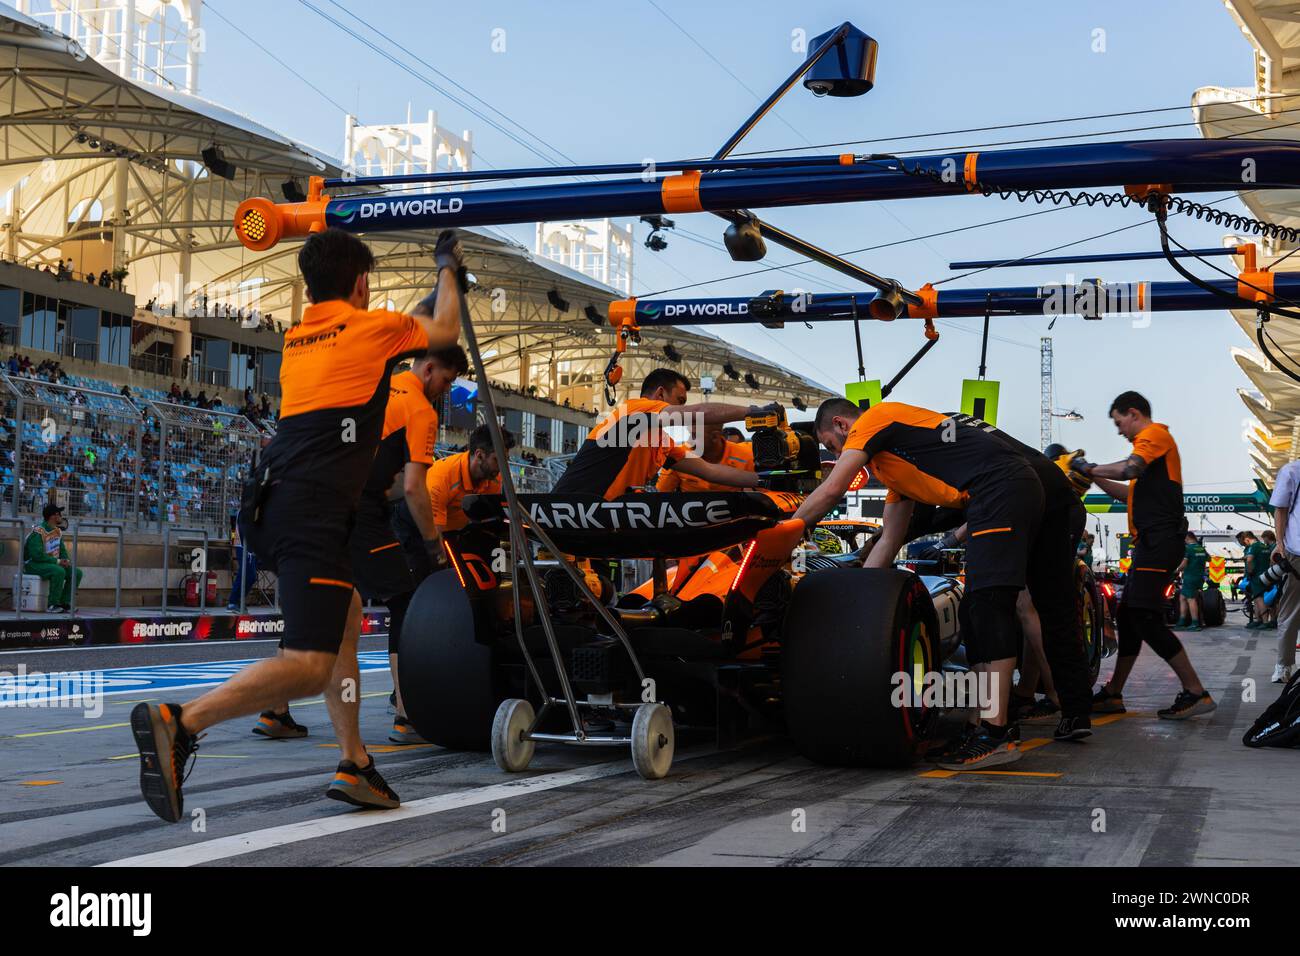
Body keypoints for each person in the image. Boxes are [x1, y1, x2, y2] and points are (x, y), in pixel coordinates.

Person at [129, 227, 465, 823]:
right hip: (314, 510)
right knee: (311, 664)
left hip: (272, 498)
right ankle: (180, 723)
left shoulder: (301, 336)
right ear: (362, 283)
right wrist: (447, 269)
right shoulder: (373, 330)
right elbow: (441, 331)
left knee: (346, 623)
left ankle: (355, 762)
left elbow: (396, 330)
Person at [797, 399, 1046, 769]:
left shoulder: (876, 418)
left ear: (842, 424)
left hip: (1001, 488)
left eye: (834, 446)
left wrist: (789, 529)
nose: (841, 453)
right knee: (976, 610)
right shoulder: (895, 469)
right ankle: (984, 725)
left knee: (989, 605)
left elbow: (833, 490)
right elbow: (889, 540)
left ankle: (996, 733)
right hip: (990, 497)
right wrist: (858, 610)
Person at [1071, 391, 1215, 720]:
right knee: (1127, 614)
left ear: (1134, 413)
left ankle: (1196, 692)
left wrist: (1089, 466)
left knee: (1143, 614)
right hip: (1152, 543)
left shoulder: (1154, 436)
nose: (1120, 431)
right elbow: (1128, 491)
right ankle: (1113, 694)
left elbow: (1130, 469)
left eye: (1120, 423)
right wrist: (1094, 476)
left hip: (1160, 541)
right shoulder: (1152, 459)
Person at [553, 368, 762, 499]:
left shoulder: (662, 440)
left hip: (598, 521)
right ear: (660, 393)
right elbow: (698, 413)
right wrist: (754, 412)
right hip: (571, 512)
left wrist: (763, 480)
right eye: (680, 400)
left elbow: (710, 471)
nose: (681, 408)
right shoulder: (634, 410)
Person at [1268, 458, 1300, 682]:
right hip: (1297, 552)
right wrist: (1279, 544)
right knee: (1291, 610)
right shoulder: (1291, 471)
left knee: (1290, 610)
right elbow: (1281, 510)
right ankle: (1284, 665)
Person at [655, 423, 754, 492]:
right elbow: (661, 495)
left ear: (715, 437)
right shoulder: (678, 455)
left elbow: (766, 496)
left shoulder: (746, 455)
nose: (689, 440)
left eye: (694, 435)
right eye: (689, 434)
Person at [23, 504, 82, 613]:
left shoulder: (57, 531)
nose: (61, 516)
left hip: (50, 563)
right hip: (33, 564)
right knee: (58, 571)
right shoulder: (38, 531)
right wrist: (58, 562)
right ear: (53, 516)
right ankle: (52, 605)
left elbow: (62, 550)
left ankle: (65, 603)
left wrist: (66, 560)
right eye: (59, 514)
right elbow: (37, 555)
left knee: (76, 572)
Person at [1175, 530, 1208, 631]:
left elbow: (1184, 564)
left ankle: (1195, 623)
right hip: (1199, 577)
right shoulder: (1201, 548)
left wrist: (1176, 571)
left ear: (1187, 538)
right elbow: (1209, 558)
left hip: (1190, 577)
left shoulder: (1188, 548)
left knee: (1191, 599)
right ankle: (1182, 621)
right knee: (1183, 597)